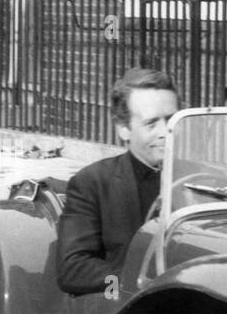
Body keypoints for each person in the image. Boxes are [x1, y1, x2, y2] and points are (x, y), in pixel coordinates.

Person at [56, 67, 180, 295]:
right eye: (151, 124)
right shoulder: (92, 183)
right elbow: (73, 269)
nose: (165, 132)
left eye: (171, 121)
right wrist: (131, 280)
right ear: (124, 129)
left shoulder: (206, 183)